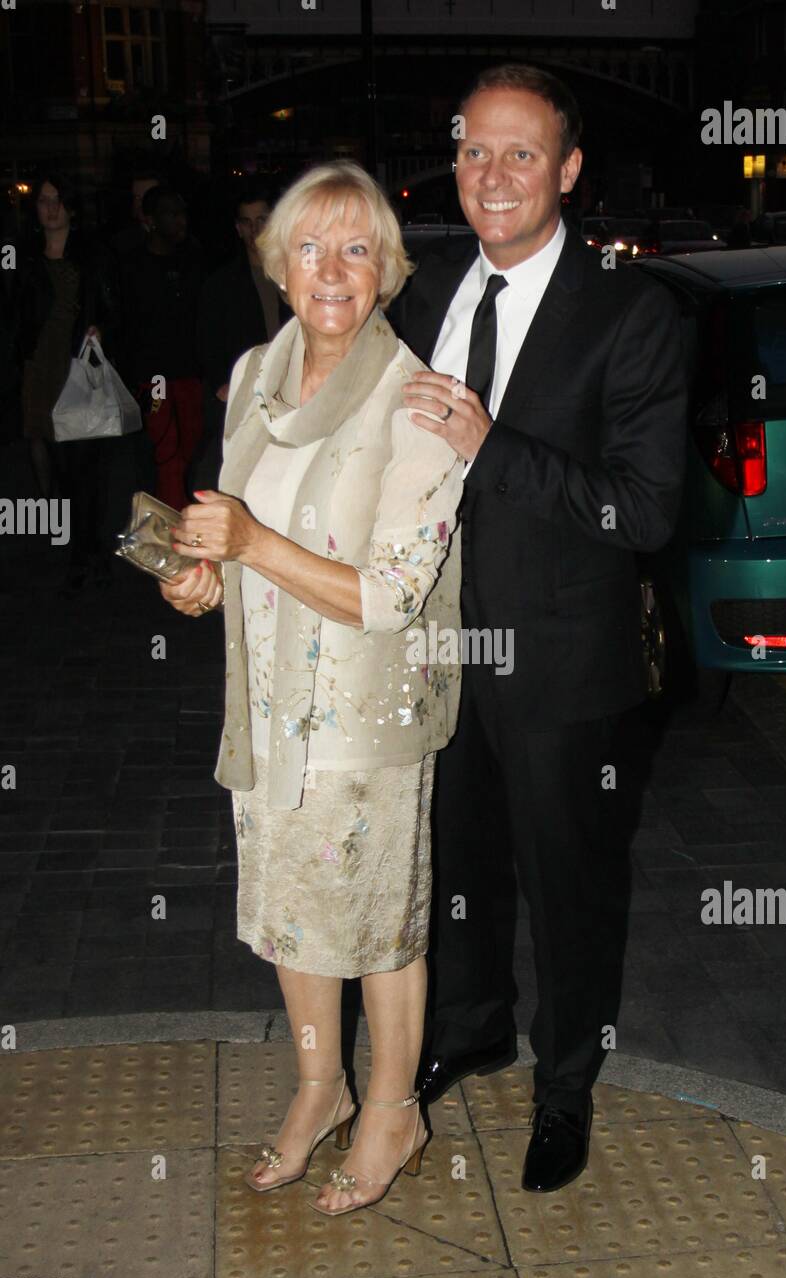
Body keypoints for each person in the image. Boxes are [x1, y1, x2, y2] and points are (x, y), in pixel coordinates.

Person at [388, 64, 687, 1192]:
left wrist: (489, 444)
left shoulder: (632, 313)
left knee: (568, 887)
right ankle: (470, 1027)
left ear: (566, 171)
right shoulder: (422, 299)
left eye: (522, 154)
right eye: (475, 150)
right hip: (436, 648)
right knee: (454, 862)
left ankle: (564, 1088)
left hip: (563, 663)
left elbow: (645, 508)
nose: (494, 174)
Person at [157, 161, 464, 1215]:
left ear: (386, 269)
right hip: (270, 702)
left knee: (377, 922)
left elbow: (390, 595)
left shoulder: (416, 401)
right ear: (275, 262)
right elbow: (240, 529)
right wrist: (207, 571)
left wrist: (252, 541)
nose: (331, 269)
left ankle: (393, 1106)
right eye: (308, 246)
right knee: (292, 913)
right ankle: (318, 1085)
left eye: (356, 248)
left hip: (364, 711)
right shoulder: (254, 374)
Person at [15, 169, 122, 590]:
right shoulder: (25, 253)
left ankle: (88, 548)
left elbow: (113, 303)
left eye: (57, 199)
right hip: (41, 365)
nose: (50, 208)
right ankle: (74, 542)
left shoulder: (93, 251)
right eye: (43, 200)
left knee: (85, 462)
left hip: (80, 365)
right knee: (52, 457)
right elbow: (16, 311)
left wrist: (102, 329)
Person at [193, 180, 293, 492]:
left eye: (262, 220)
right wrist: (224, 384)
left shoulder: (296, 274)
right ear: (238, 228)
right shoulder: (221, 284)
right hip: (246, 394)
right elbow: (209, 342)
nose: (255, 230)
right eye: (247, 223)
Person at [118, 185, 205, 510]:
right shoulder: (132, 266)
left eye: (183, 213)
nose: (180, 221)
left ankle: (176, 514)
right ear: (151, 220)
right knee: (165, 452)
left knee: (190, 448)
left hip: (189, 374)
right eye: (172, 214)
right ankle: (172, 530)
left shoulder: (194, 261)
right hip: (153, 378)